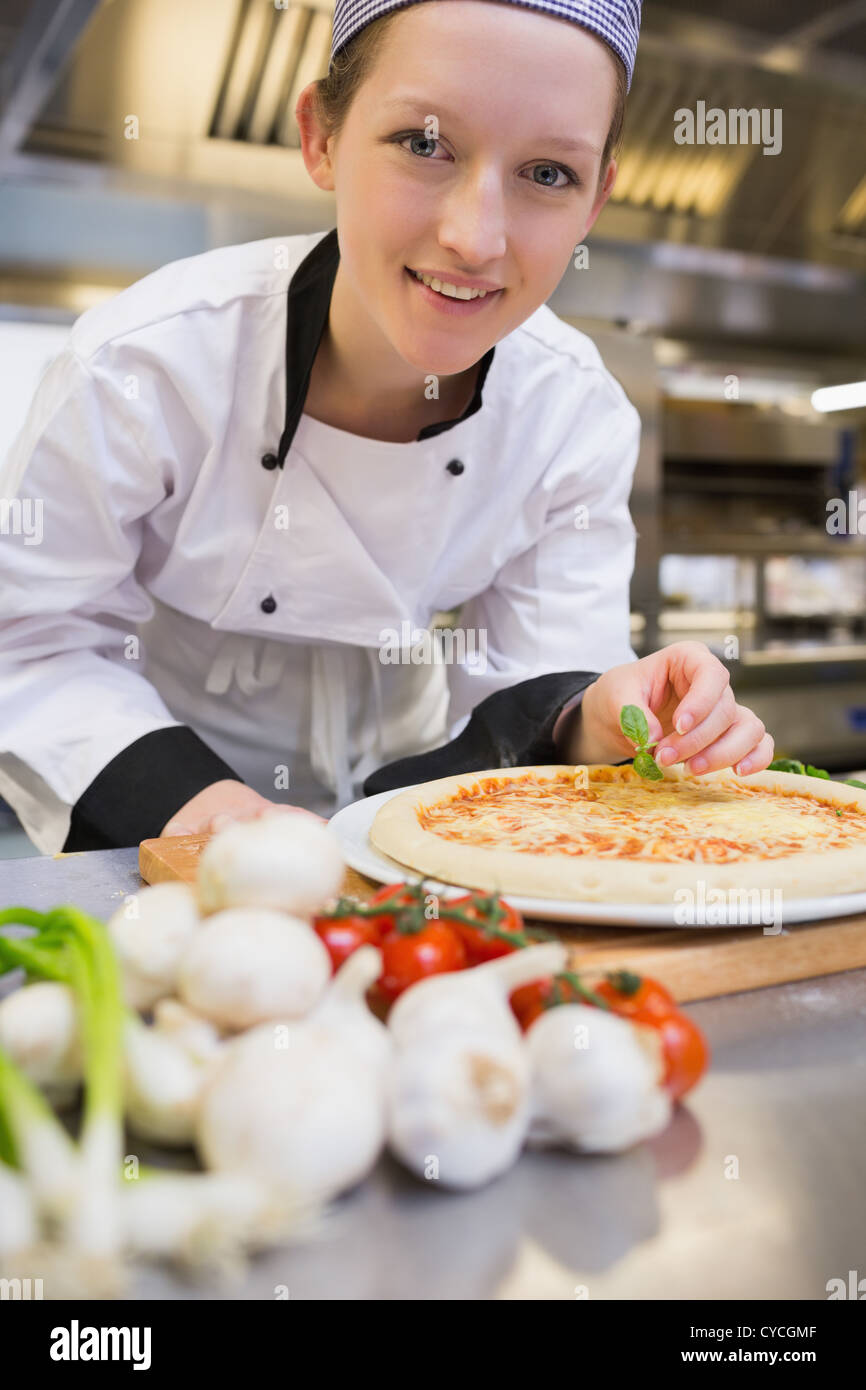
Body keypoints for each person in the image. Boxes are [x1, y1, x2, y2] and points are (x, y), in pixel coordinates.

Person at [0, 0, 772, 855]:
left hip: (423, 806)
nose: (476, 238)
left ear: (596, 204)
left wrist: (615, 715)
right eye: (424, 144)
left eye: (549, 173)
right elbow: (33, 642)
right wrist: (222, 818)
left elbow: (538, 690)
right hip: (155, 805)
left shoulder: (573, 415)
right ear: (321, 137)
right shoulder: (146, 365)